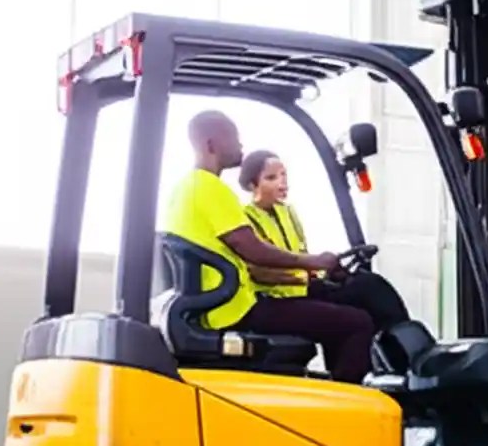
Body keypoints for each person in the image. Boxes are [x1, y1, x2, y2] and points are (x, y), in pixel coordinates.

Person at [160, 110, 375, 383]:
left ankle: (337, 389)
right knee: (356, 324)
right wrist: (313, 261)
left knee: (336, 315)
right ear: (211, 144)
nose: (240, 145)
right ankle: (348, 406)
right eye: (233, 138)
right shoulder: (209, 187)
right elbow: (252, 249)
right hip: (235, 309)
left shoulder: (184, 188)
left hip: (217, 307)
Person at [238, 149, 411, 332]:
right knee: (359, 307)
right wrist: (305, 277)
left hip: (306, 288)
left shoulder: (288, 212)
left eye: (283, 175)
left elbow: (301, 255)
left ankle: (405, 344)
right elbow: (258, 273)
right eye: (271, 178)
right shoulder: (246, 218)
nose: (282, 183)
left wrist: (328, 272)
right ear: (252, 185)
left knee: (371, 285)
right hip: (279, 298)